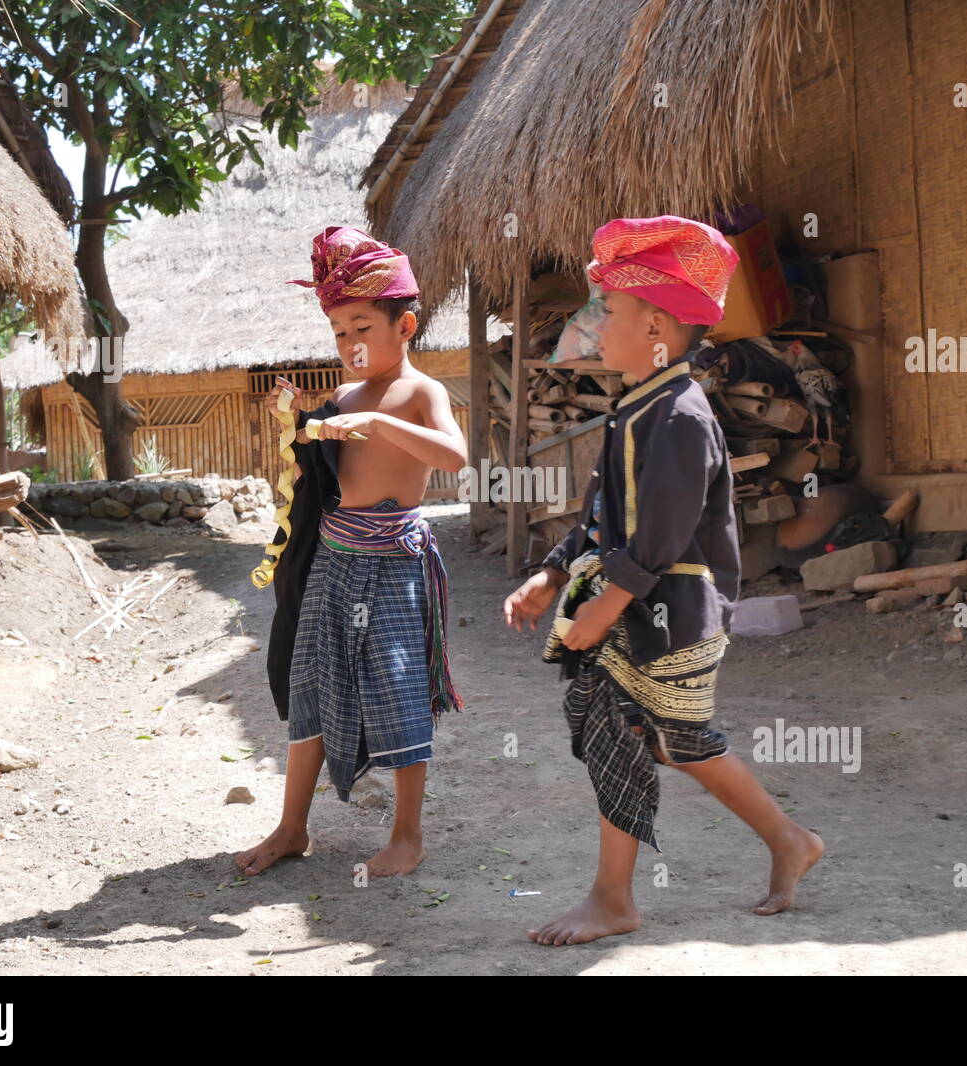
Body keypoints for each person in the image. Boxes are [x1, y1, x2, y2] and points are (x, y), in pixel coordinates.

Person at [503, 215, 824, 945]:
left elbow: (662, 534)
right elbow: (599, 516)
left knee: (634, 735)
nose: (596, 326)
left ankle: (614, 898)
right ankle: (787, 841)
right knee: (671, 741)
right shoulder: (636, 409)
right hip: (647, 611)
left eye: (609, 312)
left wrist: (606, 603)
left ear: (656, 326)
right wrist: (551, 577)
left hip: (671, 615)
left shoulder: (679, 414)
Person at [236, 225, 467, 879]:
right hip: (335, 563)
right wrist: (297, 433)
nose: (349, 344)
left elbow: (455, 456)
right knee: (310, 688)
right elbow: (314, 486)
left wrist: (379, 422)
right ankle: (292, 827)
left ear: (406, 325)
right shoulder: (339, 400)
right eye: (339, 332)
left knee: (399, 692)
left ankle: (407, 836)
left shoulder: (420, 395)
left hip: (395, 564)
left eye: (362, 327)